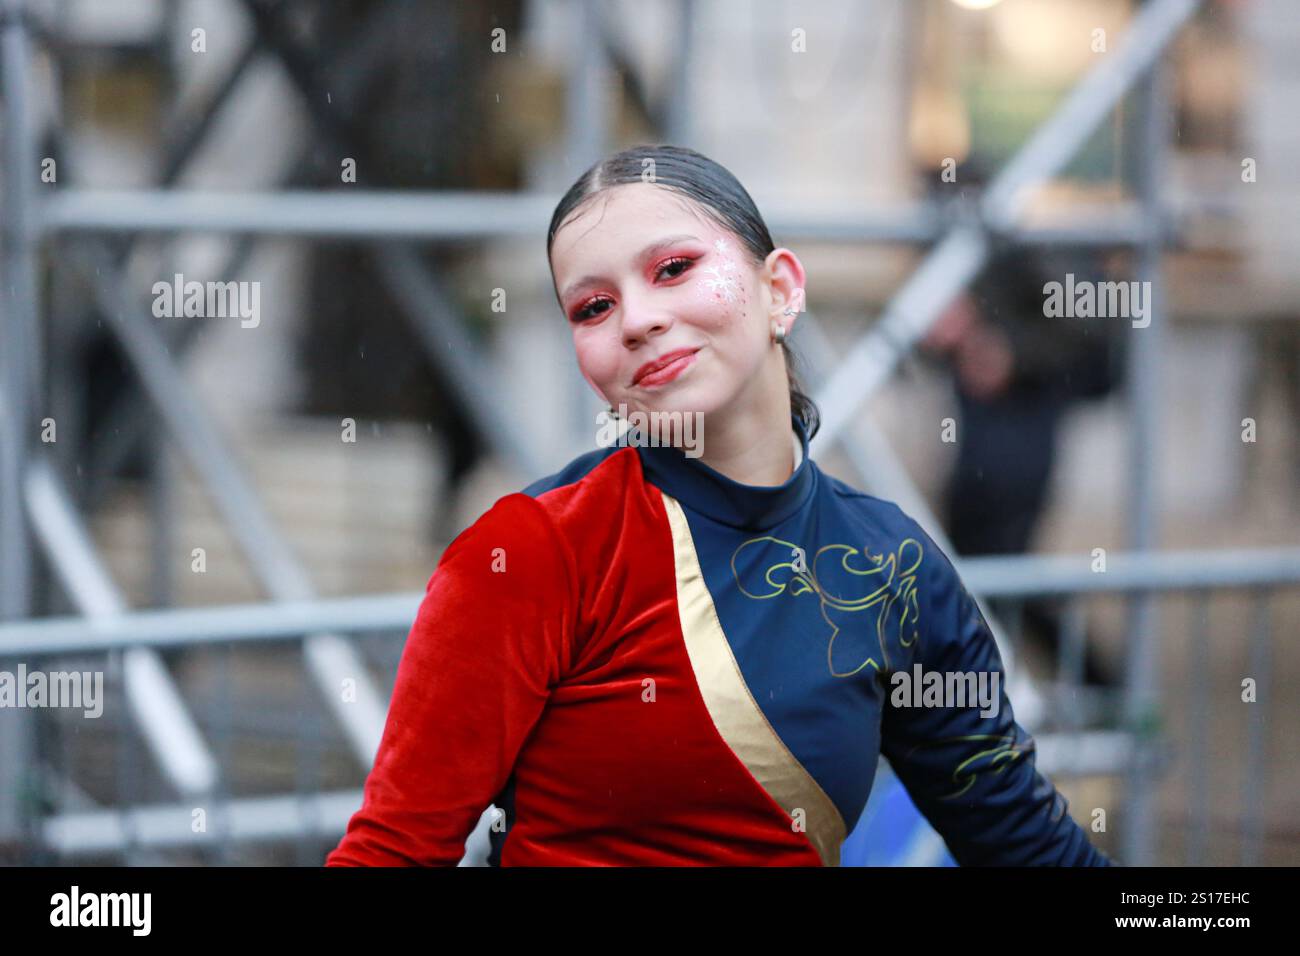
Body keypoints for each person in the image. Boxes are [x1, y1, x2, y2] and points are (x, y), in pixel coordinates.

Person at [324, 144, 1111, 866]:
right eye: (592, 307)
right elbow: (393, 850)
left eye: (672, 268)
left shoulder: (895, 568)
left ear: (780, 290)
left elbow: (1024, 843)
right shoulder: (533, 551)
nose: (637, 319)